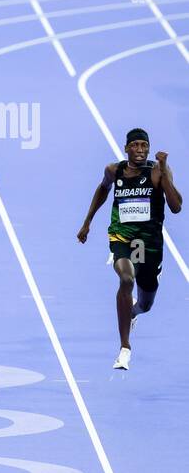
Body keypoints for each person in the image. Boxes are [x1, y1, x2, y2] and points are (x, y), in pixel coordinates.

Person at [77, 129, 181, 370]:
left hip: (149, 245)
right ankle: (125, 348)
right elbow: (103, 189)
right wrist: (87, 222)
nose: (140, 150)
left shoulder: (158, 171)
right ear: (126, 148)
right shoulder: (114, 170)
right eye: (135, 145)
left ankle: (133, 312)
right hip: (122, 238)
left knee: (146, 304)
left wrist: (164, 172)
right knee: (126, 278)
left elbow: (176, 207)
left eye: (144, 145)